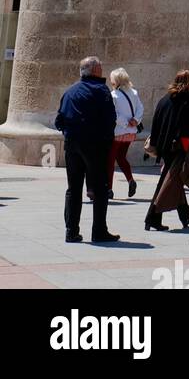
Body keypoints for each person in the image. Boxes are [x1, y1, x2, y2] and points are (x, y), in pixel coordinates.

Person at [55, 55, 118, 244]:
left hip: (72, 144)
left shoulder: (70, 92)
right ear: (96, 71)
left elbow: (59, 121)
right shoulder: (101, 91)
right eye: (100, 67)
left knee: (73, 188)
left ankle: (71, 231)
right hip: (95, 146)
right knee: (100, 188)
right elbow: (110, 120)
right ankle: (99, 231)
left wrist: (70, 132)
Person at [143, 70, 189, 231]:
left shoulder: (165, 99)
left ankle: (184, 215)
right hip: (178, 146)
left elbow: (156, 123)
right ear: (188, 83)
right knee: (169, 180)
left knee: (173, 179)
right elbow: (187, 127)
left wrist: (157, 145)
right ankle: (152, 217)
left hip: (165, 146)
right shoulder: (187, 100)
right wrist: (186, 149)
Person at [105, 68, 144, 200]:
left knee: (110, 160)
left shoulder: (113, 95)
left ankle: (109, 189)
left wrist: (125, 123)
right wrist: (135, 121)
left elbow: (113, 114)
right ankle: (130, 180)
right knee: (121, 157)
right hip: (130, 133)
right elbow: (140, 108)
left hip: (118, 132)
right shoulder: (134, 92)